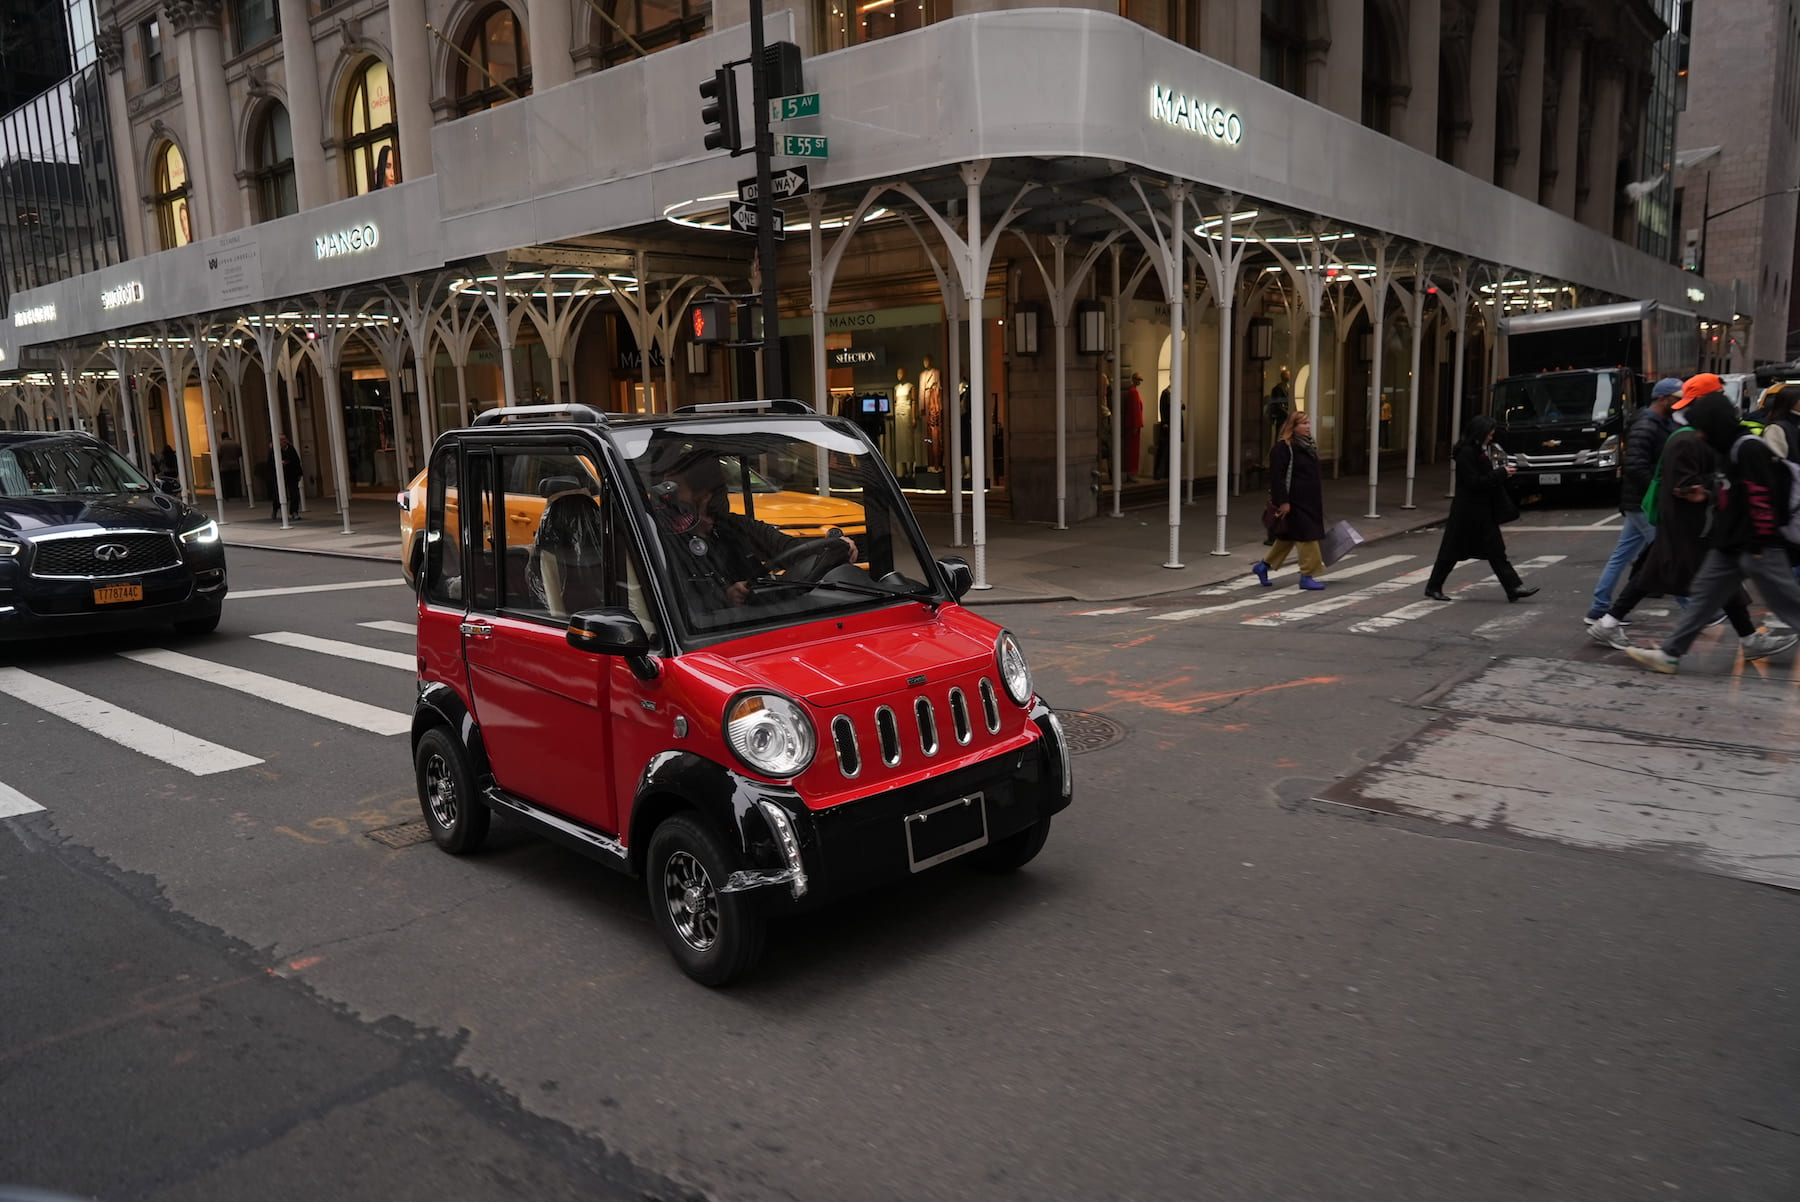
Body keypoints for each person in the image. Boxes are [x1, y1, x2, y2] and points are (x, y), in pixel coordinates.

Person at [1588, 380, 1790, 660]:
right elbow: (1679, 482)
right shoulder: (1688, 438)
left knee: (1682, 579)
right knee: (1682, 579)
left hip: (1696, 526)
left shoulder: (1701, 437)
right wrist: (1711, 492)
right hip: (1690, 526)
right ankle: (1617, 624)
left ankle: (1623, 628)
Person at [653, 452, 856, 611]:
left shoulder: (734, 527)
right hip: (711, 637)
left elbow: (789, 549)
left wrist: (835, 546)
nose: (667, 497)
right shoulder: (660, 537)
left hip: (761, 622)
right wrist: (725, 597)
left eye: (674, 489)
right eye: (665, 489)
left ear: (704, 496)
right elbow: (672, 602)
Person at [1585, 377, 1683, 622]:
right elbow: (1636, 467)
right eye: (1676, 399)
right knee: (1668, 554)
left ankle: (1599, 608)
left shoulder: (1660, 422)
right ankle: (1696, 608)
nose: (1680, 404)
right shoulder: (1646, 425)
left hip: (1640, 501)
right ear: (1662, 398)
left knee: (1622, 555)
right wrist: (1658, 491)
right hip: (1643, 502)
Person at [1423, 415, 1537, 602]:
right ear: (1480, 433)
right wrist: (1500, 474)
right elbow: (1473, 482)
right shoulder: (1466, 453)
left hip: (1482, 512)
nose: (1491, 438)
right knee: (1451, 552)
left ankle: (1514, 587)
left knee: (1496, 551)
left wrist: (1500, 474)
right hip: (1466, 512)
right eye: (1489, 434)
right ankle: (1433, 586)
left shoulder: (1477, 450)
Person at [1251, 410, 1328, 591]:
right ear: (1292, 427)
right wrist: (1283, 501)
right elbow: (1277, 478)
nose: (1308, 427)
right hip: (1294, 501)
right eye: (1303, 424)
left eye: (1308, 423)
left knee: (1288, 538)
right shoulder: (1282, 448)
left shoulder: (1308, 446)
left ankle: (1263, 567)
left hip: (1310, 500)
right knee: (1307, 537)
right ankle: (1307, 575)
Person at [270, 434, 302, 520]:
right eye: (281, 440)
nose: (283, 442)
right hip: (280, 475)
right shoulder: (274, 450)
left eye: (284, 439)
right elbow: (270, 463)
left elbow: (297, 461)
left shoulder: (291, 449)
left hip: (292, 474)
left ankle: (294, 512)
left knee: (294, 494)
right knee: (278, 494)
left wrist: (299, 474)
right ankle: (275, 509)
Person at [1123, 372, 1144, 482]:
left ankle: (1132, 472)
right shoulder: (1133, 392)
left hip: (1134, 425)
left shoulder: (1134, 392)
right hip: (1133, 426)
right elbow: (1134, 410)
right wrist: (1136, 425)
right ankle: (1131, 472)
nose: (1139, 382)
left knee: (1134, 450)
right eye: (1138, 379)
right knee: (1133, 450)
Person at [216, 429, 243, 500]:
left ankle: (226, 496)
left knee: (225, 482)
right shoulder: (235, 443)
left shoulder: (221, 444)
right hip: (235, 465)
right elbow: (240, 453)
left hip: (224, 466)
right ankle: (238, 495)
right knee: (236, 481)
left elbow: (218, 455)